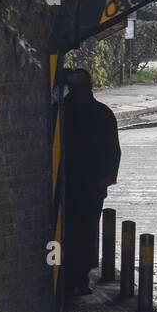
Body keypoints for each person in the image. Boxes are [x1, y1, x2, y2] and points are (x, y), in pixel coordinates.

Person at [62, 69, 121, 297]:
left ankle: (79, 274)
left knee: (84, 230)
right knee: (75, 229)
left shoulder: (100, 114)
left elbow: (112, 150)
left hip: (88, 183)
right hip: (73, 182)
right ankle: (70, 274)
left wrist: (106, 178)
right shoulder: (68, 112)